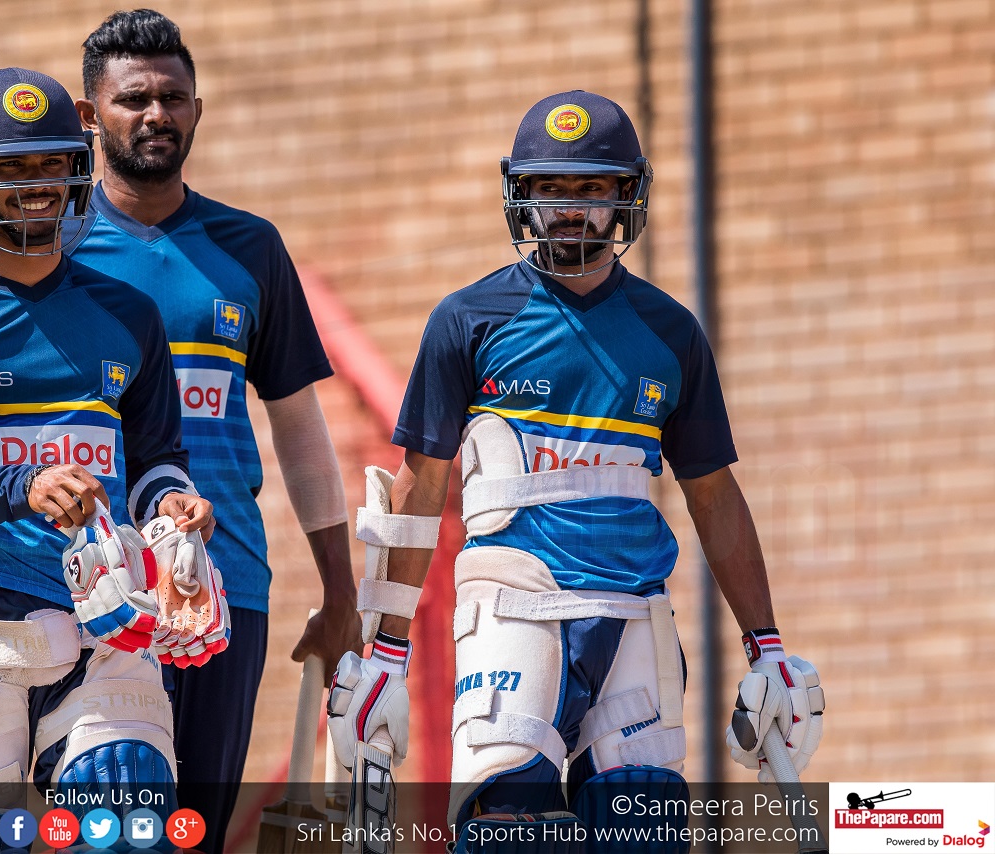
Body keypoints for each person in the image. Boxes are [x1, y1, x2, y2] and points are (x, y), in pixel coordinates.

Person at [327, 91, 826, 845]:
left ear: (626, 195)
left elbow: (716, 497)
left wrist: (770, 648)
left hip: (634, 623)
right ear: (520, 193)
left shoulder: (672, 333)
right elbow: (420, 487)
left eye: (590, 189)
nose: (568, 208)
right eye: (550, 187)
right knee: (512, 833)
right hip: (512, 616)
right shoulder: (467, 320)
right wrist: (387, 652)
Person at [0, 67, 223, 852]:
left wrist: (172, 505)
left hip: (109, 619)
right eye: (10, 170)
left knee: (131, 829)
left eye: (51, 164)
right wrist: (24, 485)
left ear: (77, 170)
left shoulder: (129, 315)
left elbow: (156, 460)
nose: (35, 186)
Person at [68, 10, 362, 849]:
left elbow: (300, 432)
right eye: (133, 99)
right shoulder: (53, 246)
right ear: (90, 116)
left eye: (173, 97)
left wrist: (339, 592)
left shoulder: (252, 247)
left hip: (226, 588)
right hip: (91, 587)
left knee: (189, 833)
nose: (156, 114)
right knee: (109, 831)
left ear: (198, 110)